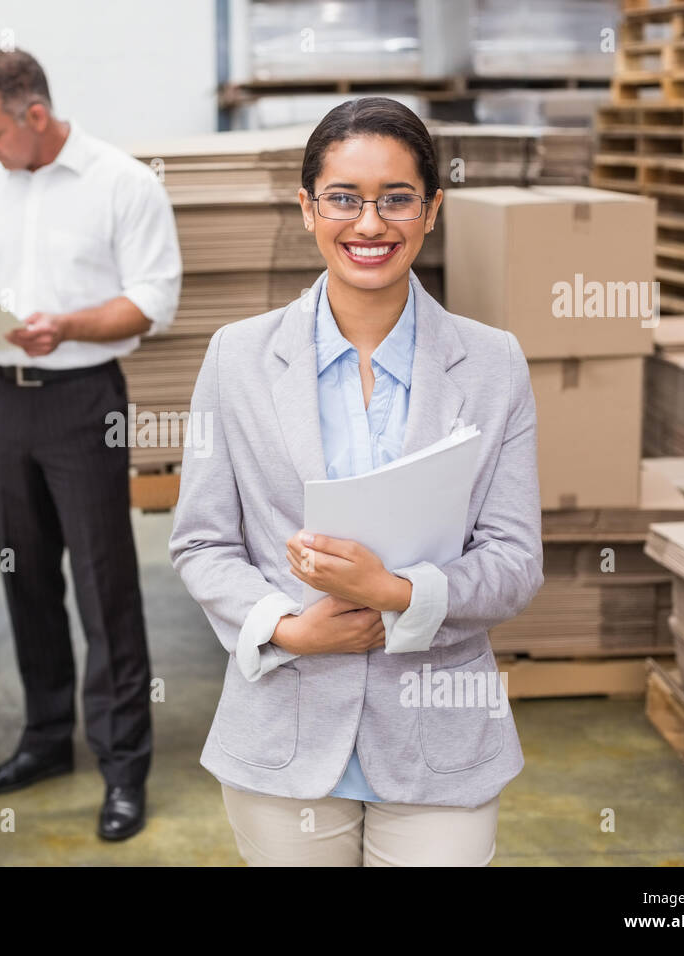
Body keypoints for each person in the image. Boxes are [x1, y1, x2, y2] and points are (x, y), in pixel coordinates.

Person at [168, 96, 543, 866]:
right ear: (308, 207)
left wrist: (401, 594)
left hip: (440, 731)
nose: (370, 225)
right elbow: (202, 541)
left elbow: (513, 562)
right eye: (344, 198)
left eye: (396, 199)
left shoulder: (495, 362)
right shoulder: (235, 357)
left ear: (431, 209)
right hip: (285, 725)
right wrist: (285, 626)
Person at [0, 50, 182, 841]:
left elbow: (154, 299)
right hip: (3, 402)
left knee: (104, 584)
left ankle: (123, 769)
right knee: (24, 575)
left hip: (83, 402)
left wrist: (67, 326)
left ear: (33, 116)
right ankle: (46, 740)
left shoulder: (122, 183)